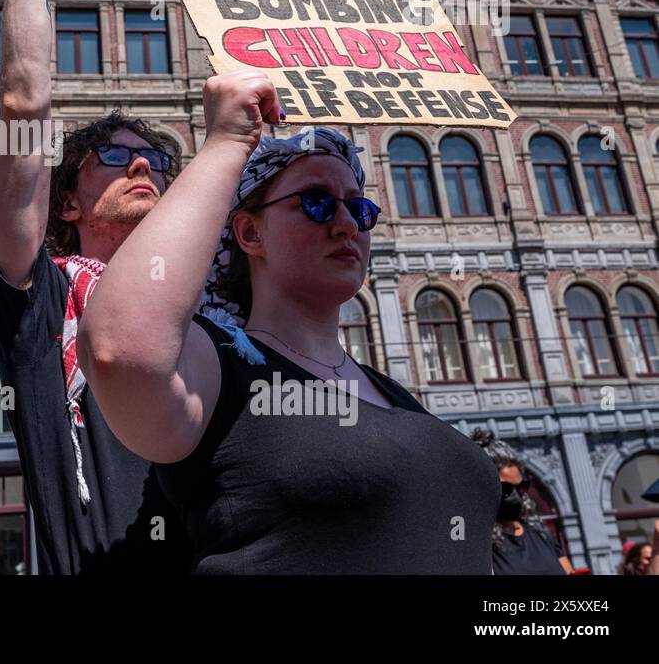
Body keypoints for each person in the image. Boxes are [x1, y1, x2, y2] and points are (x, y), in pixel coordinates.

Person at [75, 71, 500, 573]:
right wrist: (227, 142)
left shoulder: (390, 392)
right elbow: (120, 349)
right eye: (316, 203)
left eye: (358, 208)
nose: (345, 223)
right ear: (250, 232)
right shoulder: (221, 370)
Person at [0, 0, 190, 573]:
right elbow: (26, 97)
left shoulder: (206, 306)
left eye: (156, 159)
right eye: (114, 157)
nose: (142, 165)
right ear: (65, 204)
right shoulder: (40, 301)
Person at [471, 427, 572, 574]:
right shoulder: (478, 545)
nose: (516, 496)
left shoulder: (540, 532)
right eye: (506, 488)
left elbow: (569, 571)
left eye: (521, 487)